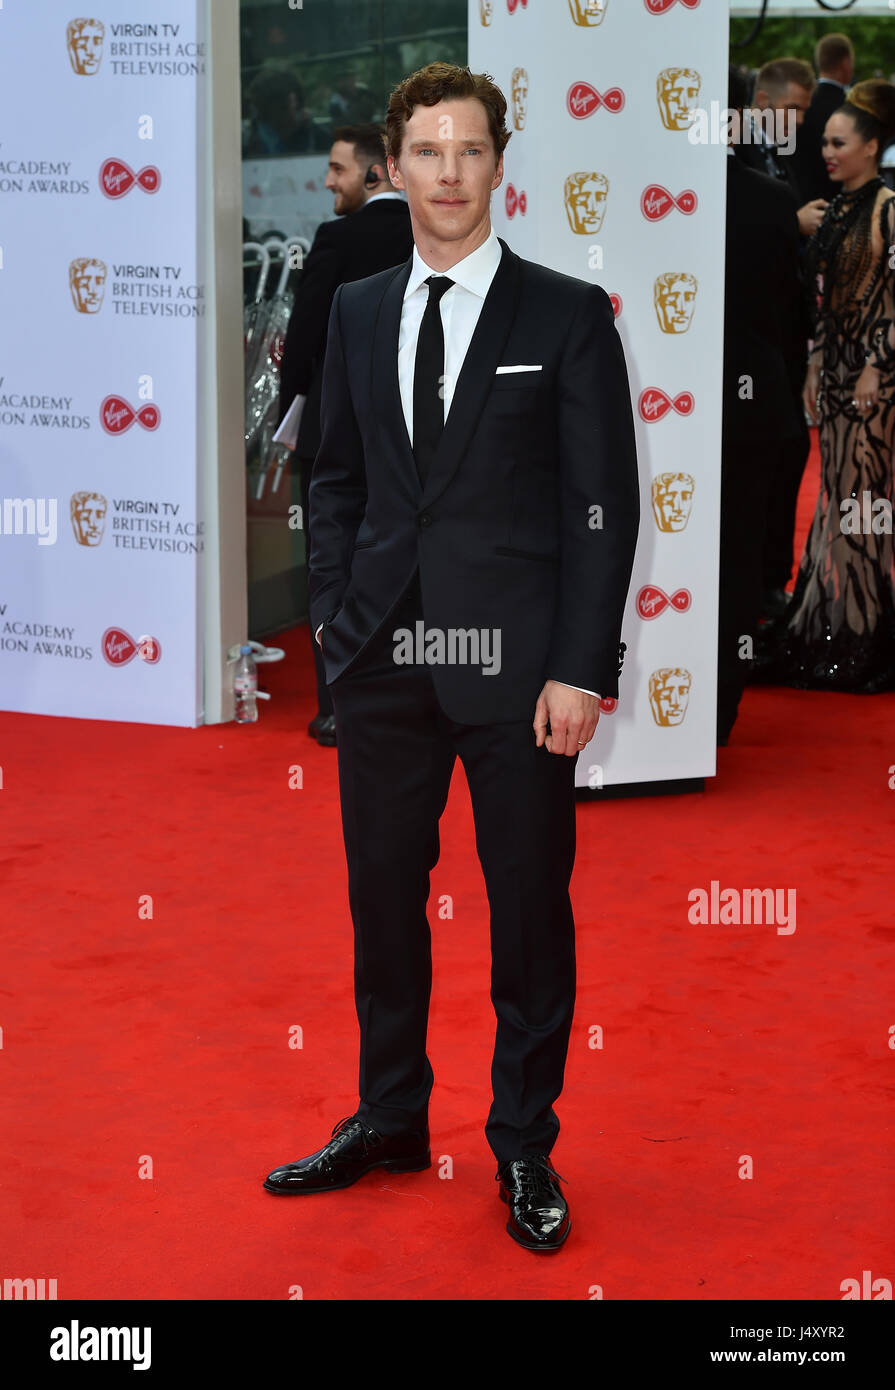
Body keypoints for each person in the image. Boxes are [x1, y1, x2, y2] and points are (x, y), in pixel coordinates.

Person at [263, 61, 640, 1251]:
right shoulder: (361, 307)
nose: (448, 173)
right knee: (383, 904)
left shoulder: (565, 313)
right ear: (394, 163)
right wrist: (334, 627)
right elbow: (335, 481)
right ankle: (386, 1116)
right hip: (381, 667)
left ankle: (523, 1144)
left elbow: (602, 507)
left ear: (497, 160)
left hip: (521, 674)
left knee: (527, 910)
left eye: (469, 150)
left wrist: (581, 669)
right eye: (426, 151)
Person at [754, 80, 895, 694]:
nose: (827, 153)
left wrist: (878, 363)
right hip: (835, 378)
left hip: (875, 384)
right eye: (826, 143)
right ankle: (834, 629)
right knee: (836, 504)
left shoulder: (890, 210)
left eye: (839, 143)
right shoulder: (835, 210)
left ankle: (868, 637)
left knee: (865, 508)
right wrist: (814, 364)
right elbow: (818, 302)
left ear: (871, 146)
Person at [276, 126, 414, 746]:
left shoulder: (337, 238)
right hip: (418, 433)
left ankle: (338, 707)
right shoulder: (428, 232)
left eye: (337, 169)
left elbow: (302, 340)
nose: (328, 181)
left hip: (339, 435)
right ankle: (408, 694)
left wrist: (292, 419)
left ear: (374, 173)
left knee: (332, 563)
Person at [718, 67, 804, 745]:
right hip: (749, 407)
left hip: (652, 406)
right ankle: (717, 707)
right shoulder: (772, 201)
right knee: (738, 554)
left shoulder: (643, 197)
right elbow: (790, 313)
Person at [793, 34, 856, 205]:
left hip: (801, 198)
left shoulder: (800, 103)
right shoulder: (850, 108)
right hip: (837, 200)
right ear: (846, 63)